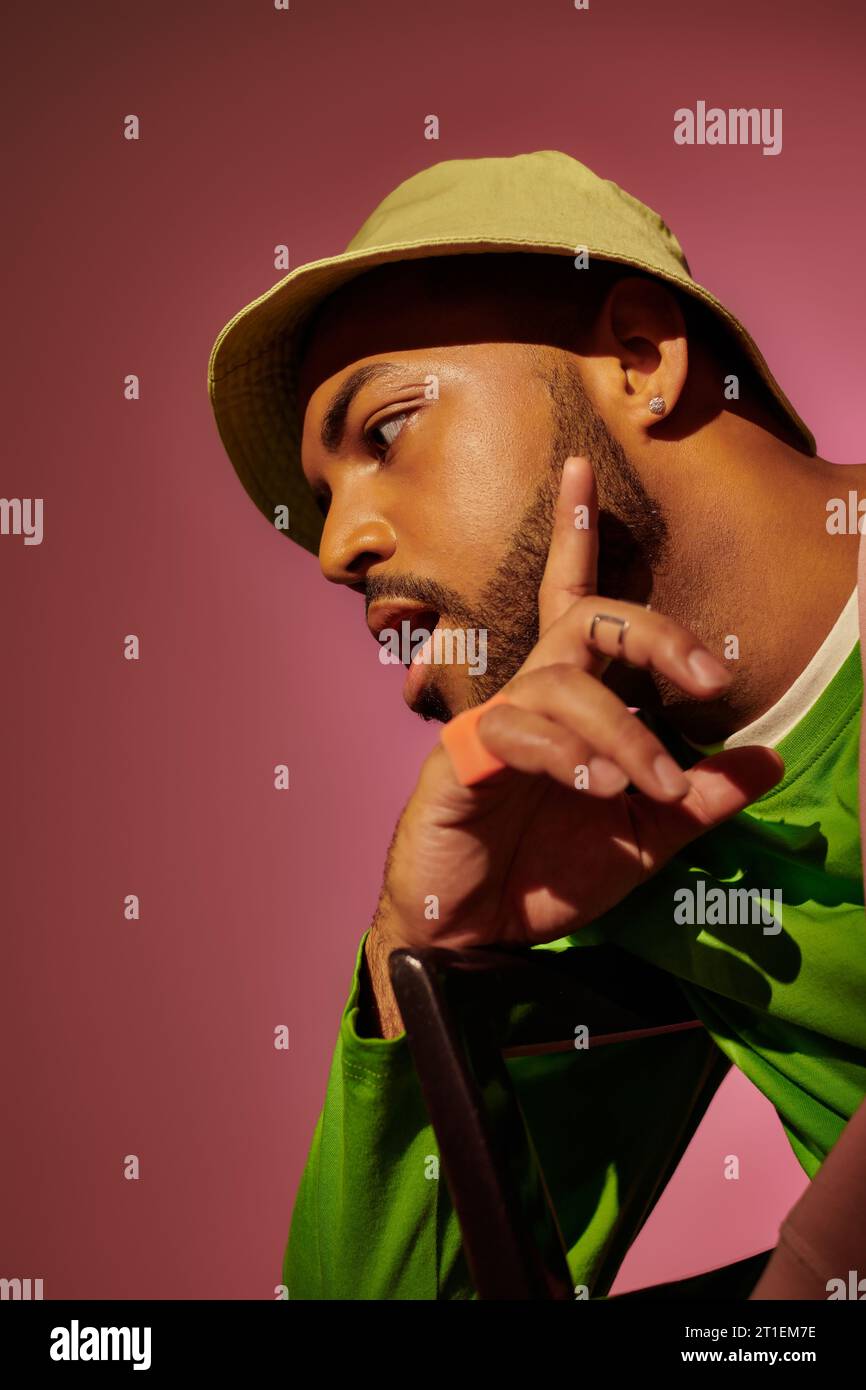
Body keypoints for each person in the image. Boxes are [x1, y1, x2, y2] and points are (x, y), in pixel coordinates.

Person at [208, 152, 866, 1299]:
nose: (334, 551)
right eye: (317, 506)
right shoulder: (612, 838)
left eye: (383, 432)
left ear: (637, 358)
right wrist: (430, 961)